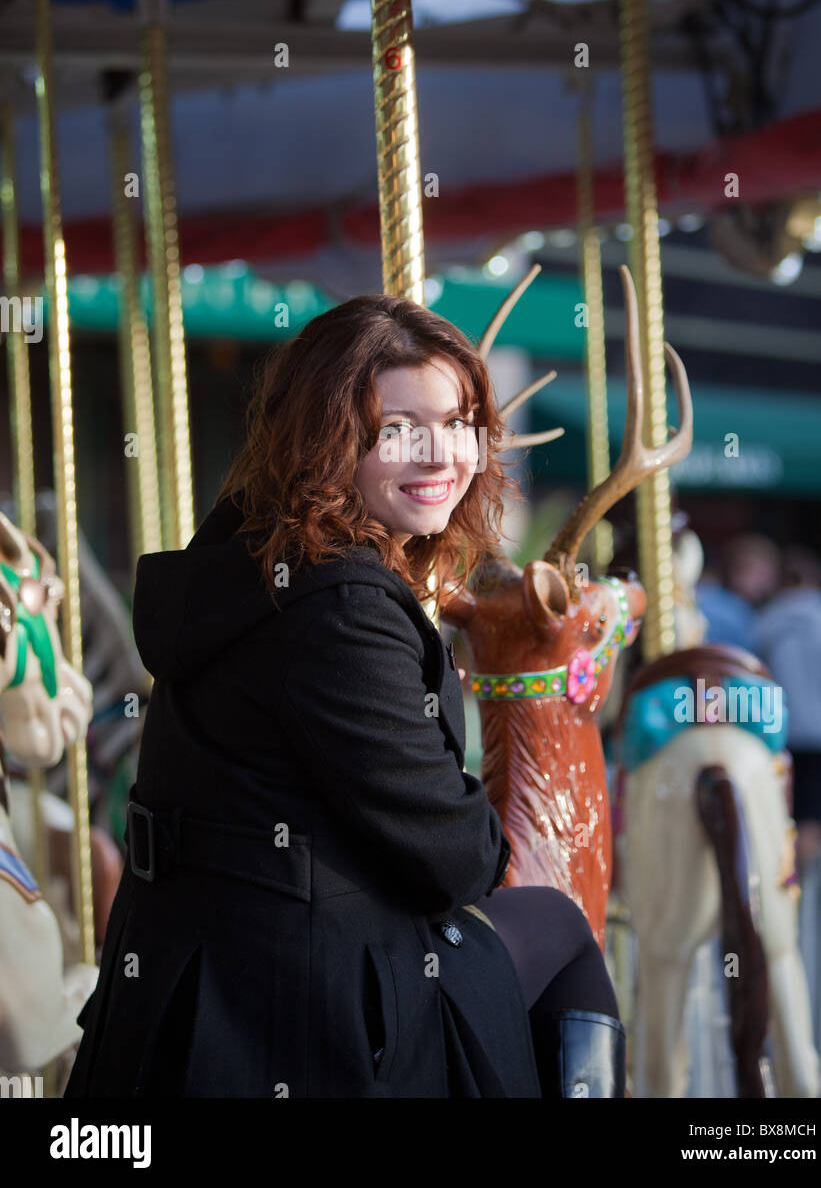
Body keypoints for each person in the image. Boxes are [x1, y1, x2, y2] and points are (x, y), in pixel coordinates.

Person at [63, 293, 624, 1099]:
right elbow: (452, 861)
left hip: (187, 977)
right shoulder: (343, 610)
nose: (443, 454)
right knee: (562, 929)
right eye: (398, 428)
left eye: (460, 421)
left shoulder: (237, 554)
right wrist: (475, 822)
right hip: (305, 1002)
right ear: (327, 437)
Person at [753, 545, 821, 868]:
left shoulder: (767, 622)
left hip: (776, 729)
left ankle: (782, 873)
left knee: (778, 804)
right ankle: (804, 880)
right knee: (814, 810)